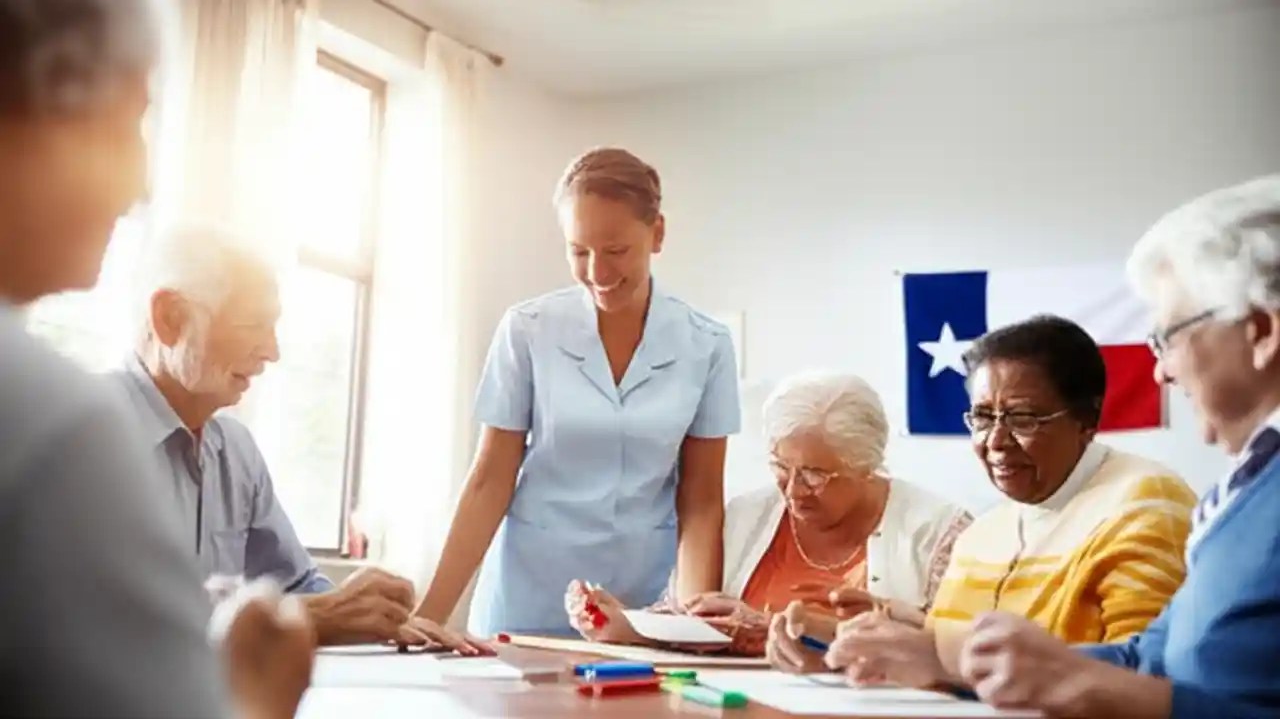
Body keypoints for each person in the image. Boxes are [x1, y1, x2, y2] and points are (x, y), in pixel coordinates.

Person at [0, 0, 308, 717]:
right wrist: (263, 694)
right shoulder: (58, 424)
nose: (139, 183)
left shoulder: (232, 449)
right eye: (129, 121)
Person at [957, 176, 1280, 718]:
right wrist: (947, 663)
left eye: (1168, 337)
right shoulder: (1244, 486)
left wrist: (1088, 688)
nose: (1160, 370)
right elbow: (1147, 660)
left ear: (1260, 331)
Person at [415, 147, 742, 635]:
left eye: (616, 251)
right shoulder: (527, 329)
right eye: (578, 250)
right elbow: (490, 479)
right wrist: (427, 617)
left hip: (641, 606)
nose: (597, 273)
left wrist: (693, 627)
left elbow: (700, 500)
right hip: (527, 597)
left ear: (657, 234)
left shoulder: (707, 344)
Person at [771, 316, 1198, 689]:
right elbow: (944, 663)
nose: (995, 442)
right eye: (982, 417)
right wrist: (839, 653)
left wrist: (939, 659)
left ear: (1087, 421)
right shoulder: (984, 533)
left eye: (1023, 419)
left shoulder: (1145, 502)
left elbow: (1144, 681)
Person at [117, 225, 483, 652]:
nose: (273, 352)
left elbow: (295, 584)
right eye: (254, 325)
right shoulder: (82, 437)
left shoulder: (235, 450)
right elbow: (114, 618)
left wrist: (373, 617)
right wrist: (325, 615)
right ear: (170, 318)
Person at [566, 372, 971, 656]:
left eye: (815, 475)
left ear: (867, 467)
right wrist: (627, 625)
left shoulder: (940, 532)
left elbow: (952, 651)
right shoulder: (746, 516)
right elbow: (685, 618)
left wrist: (764, 630)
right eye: (781, 465)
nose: (793, 490)